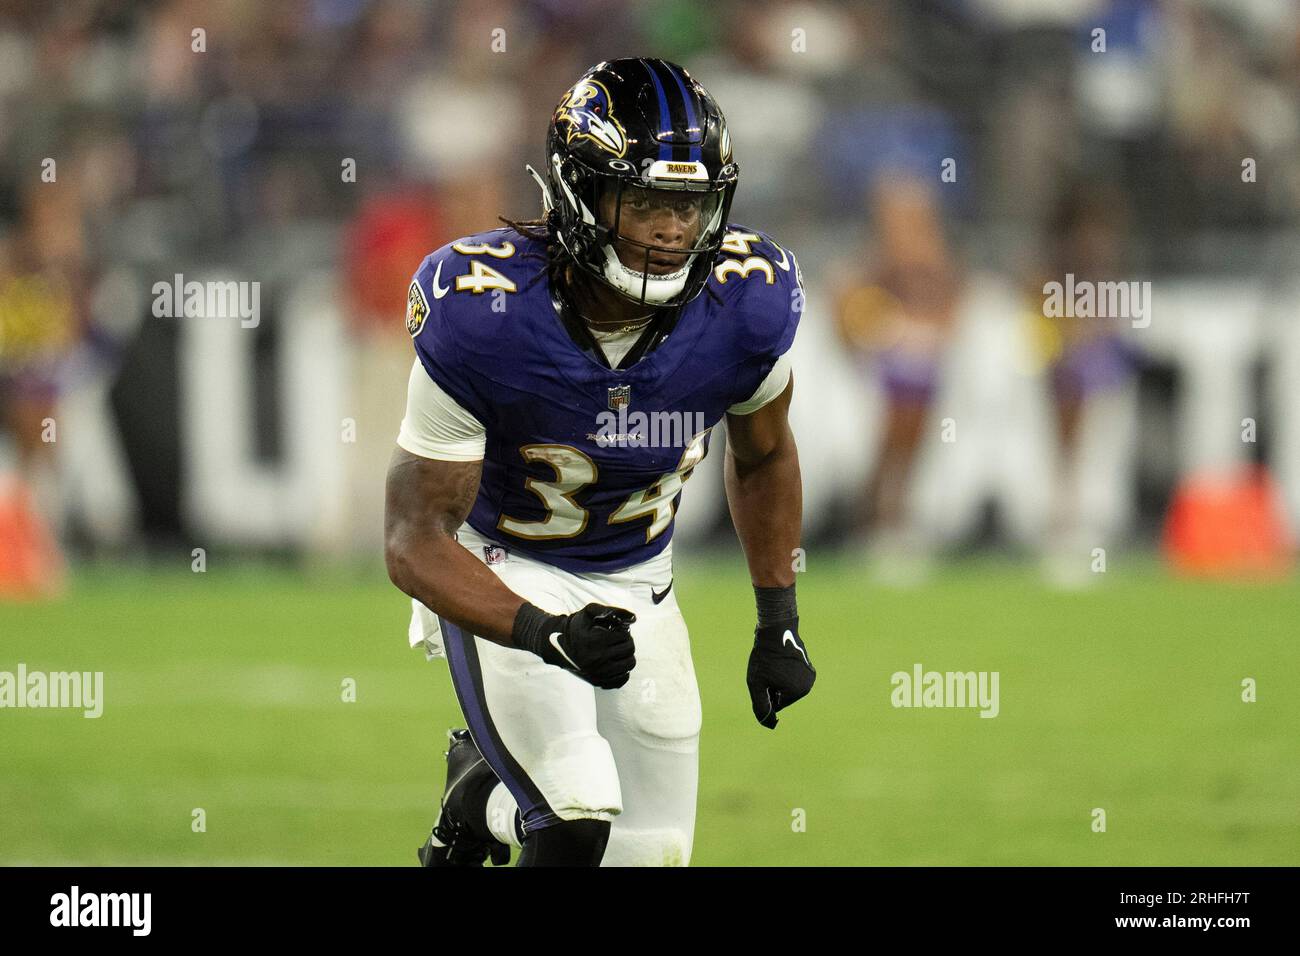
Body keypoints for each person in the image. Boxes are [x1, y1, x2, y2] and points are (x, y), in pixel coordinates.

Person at [384, 58, 815, 867]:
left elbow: (764, 458)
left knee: (649, 853)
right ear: (583, 194)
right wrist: (542, 632)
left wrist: (778, 621)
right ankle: (485, 800)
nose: (671, 229)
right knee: (573, 816)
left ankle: (478, 798)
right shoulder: (484, 314)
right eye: (646, 200)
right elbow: (412, 539)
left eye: (690, 206)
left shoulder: (746, 305)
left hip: (638, 578)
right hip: (506, 566)